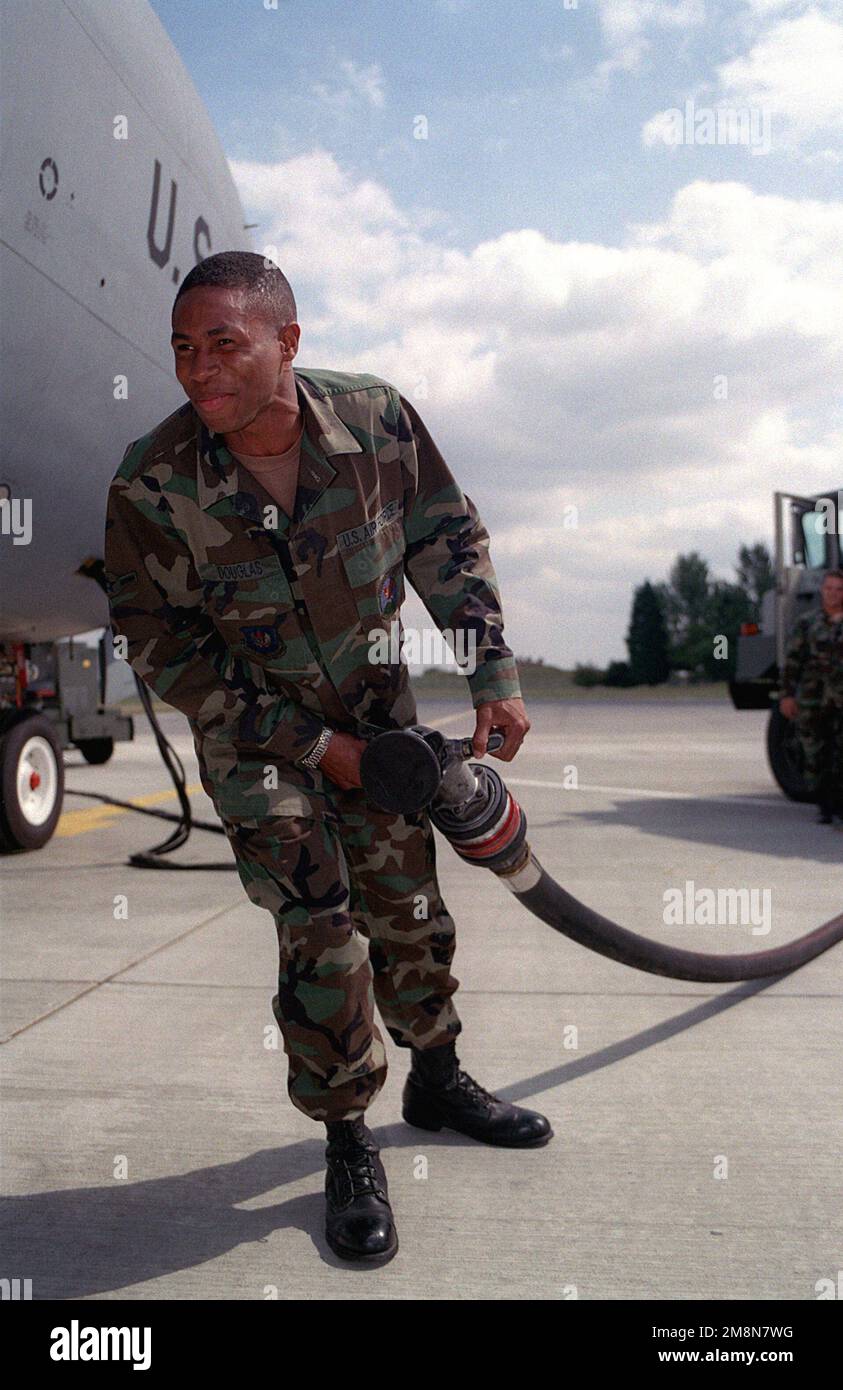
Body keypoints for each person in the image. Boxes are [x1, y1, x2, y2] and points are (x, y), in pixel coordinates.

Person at [104, 251, 552, 1265]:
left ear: (288, 344)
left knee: (408, 910)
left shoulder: (377, 422)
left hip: (380, 720)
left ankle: (437, 1075)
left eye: (224, 343)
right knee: (324, 932)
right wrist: (316, 746)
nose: (198, 368)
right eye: (183, 347)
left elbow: (447, 537)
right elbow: (158, 641)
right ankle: (349, 1138)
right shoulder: (153, 479)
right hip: (261, 742)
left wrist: (492, 671)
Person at [779, 569, 843, 825]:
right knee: (816, 752)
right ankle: (824, 804)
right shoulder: (807, 623)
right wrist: (787, 695)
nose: (833, 594)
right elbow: (793, 661)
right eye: (829, 589)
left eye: (839, 590)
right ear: (822, 591)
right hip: (813, 699)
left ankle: (839, 804)